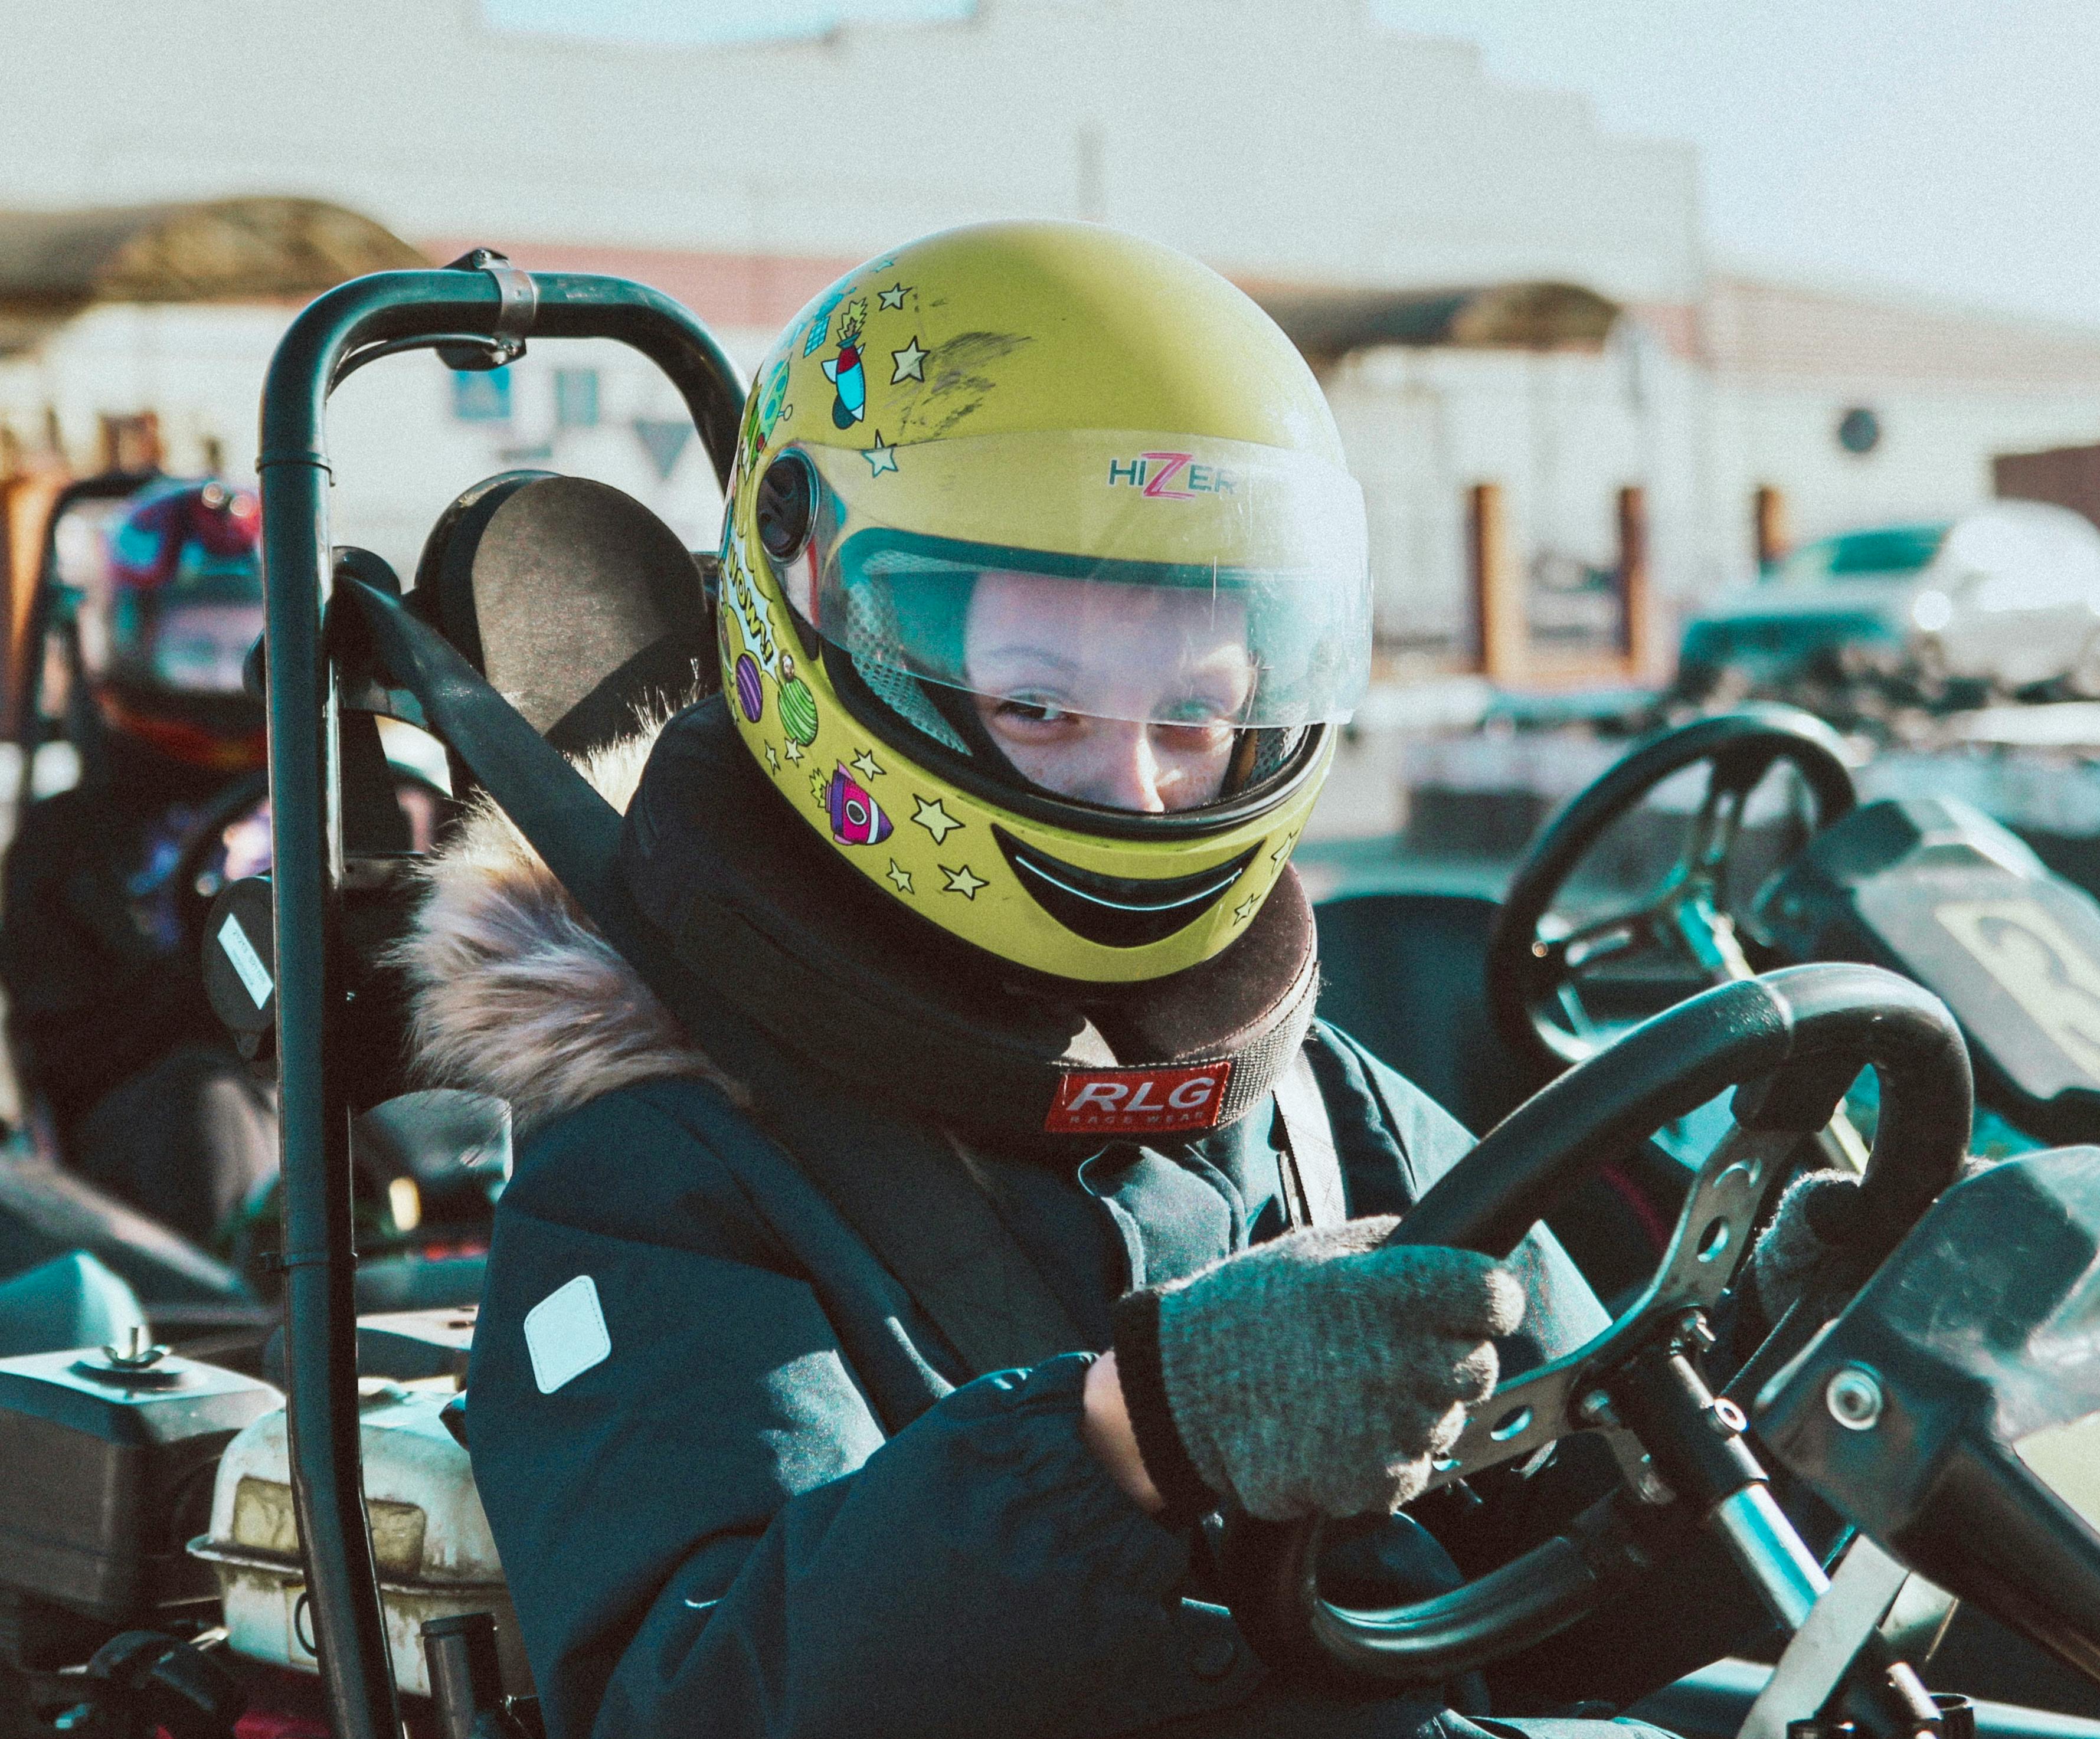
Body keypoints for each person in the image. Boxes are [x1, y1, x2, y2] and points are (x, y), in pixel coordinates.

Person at [424, 222, 1794, 1739]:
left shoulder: (1313, 1101)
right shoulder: (656, 1154)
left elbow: (1567, 1572)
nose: (1138, 794)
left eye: (1194, 713)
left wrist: (1796, 1383)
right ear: (812, 608)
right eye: (1037, 702)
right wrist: (1127, 1441)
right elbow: (694, 1699)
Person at [1, 477, 277, 1241]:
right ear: (125, 637)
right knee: (207, 1106)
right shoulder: (69, 843)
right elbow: (71, 1050)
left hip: (334, 1121)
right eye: (198, 647)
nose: (228, 674)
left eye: (249, 647)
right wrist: (221, 979)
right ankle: (251, 1329)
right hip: (159, 1177)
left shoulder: (349, 800)